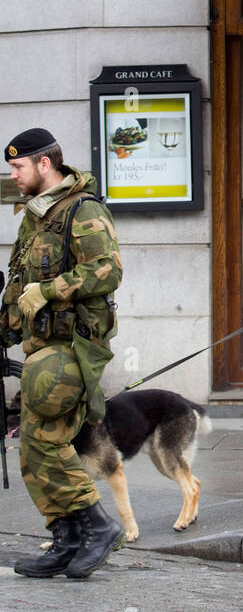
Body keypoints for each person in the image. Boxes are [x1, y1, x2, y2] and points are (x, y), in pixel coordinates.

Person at [0, 128, 126, 578]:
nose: (13, 175)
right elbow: (18, 287)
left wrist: (50, 290)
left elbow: (108, 270)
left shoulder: (82, 209)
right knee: (33, 447)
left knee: (48, 443)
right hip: (41, 348)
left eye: (18, 167)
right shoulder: (36, 216)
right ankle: (66, 536)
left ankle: (97, 524)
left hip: (74, 348)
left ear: (44, 164)